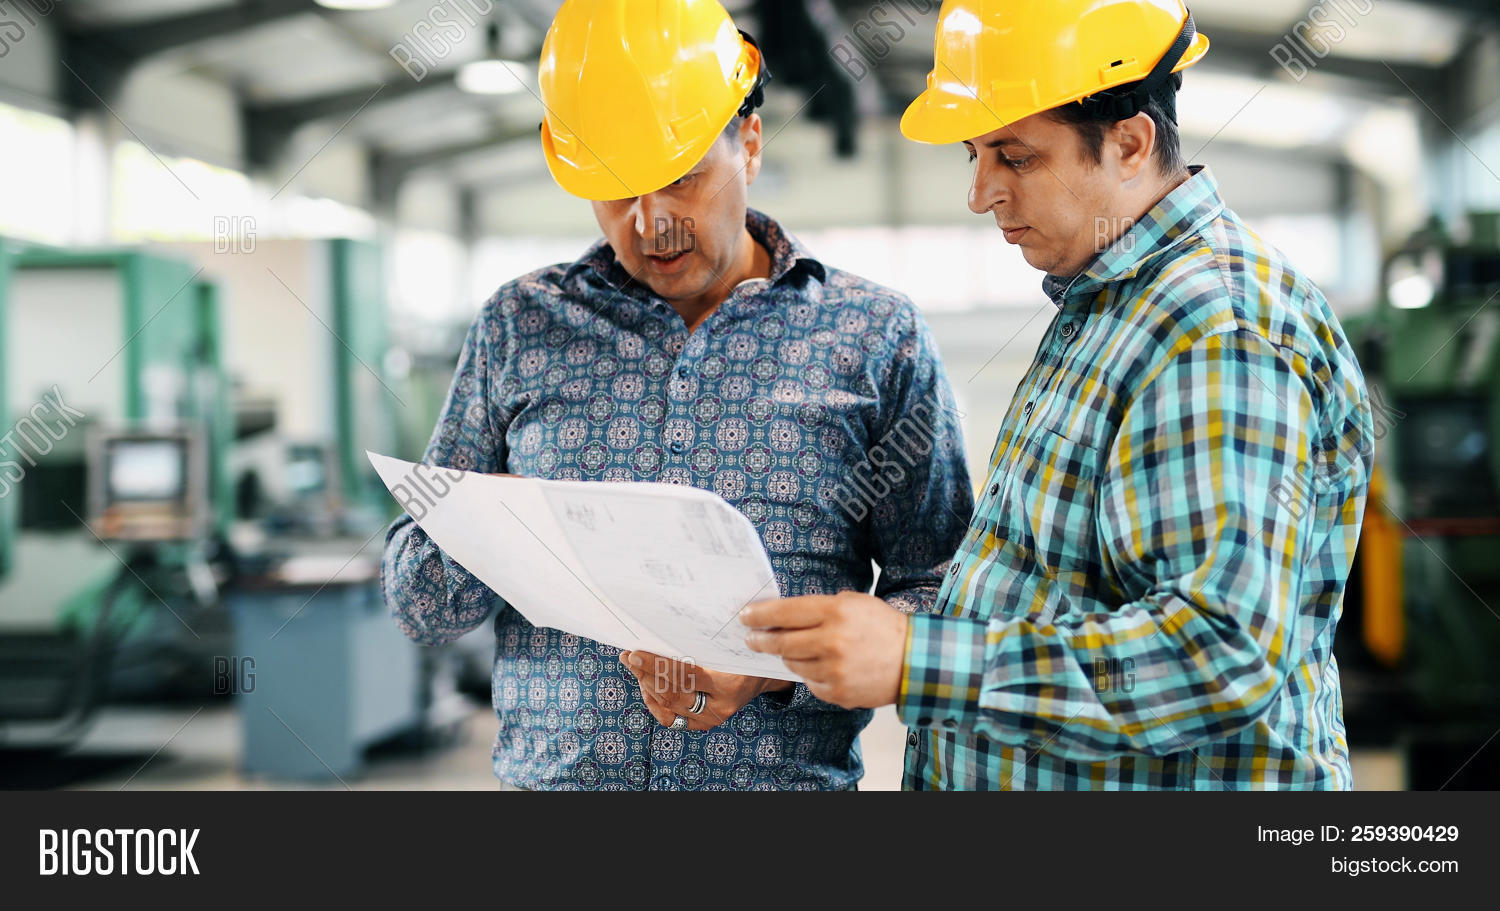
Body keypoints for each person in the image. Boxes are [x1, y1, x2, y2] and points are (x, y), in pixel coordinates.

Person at [743, 0, 1374, 790]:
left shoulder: (1216, 329)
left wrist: (918, 660)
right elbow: (1031, 589)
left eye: (1015, 156)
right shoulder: (1107, 302)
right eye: (974, 154)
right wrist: (796, 659)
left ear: (1129, 142)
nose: (981, 193)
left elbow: (1219, 654)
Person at [380, 0, 972, 790]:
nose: (650, 222)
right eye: (615, 190)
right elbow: (420, 605)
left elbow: (946, 593)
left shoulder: (875, 339)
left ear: (750, 143)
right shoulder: (520, 327)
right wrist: (498, 525)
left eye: (680, 177)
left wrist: (773, 667)